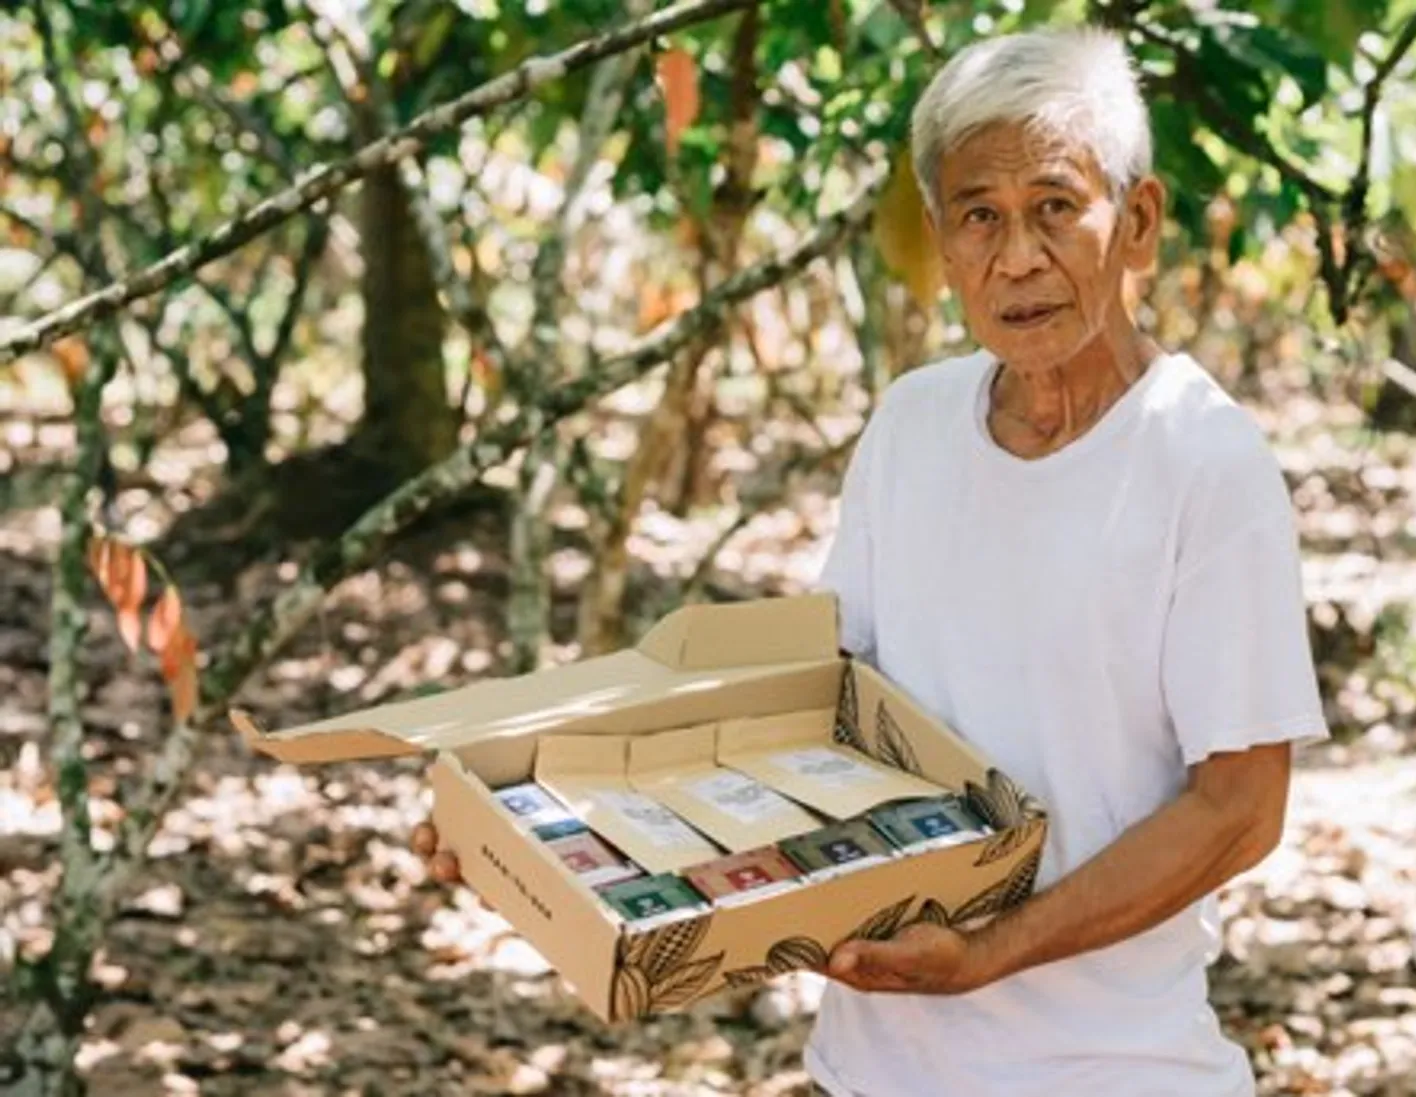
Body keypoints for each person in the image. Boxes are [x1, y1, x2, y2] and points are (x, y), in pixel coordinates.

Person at [416, 25, 1327, 1097]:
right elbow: (819, 701)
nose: (1017, 258)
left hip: (1111, 1069)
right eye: (979, 216)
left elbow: (1239, 808)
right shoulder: (914, 422)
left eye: (1054, 206)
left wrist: (992, 951)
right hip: (876, 1063)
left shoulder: (1201, 458)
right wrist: (533, 824)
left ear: (1137, 222)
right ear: (941, 242)